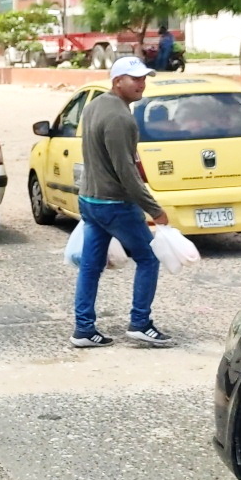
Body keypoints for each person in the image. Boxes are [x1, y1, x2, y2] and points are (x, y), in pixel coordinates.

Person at [71, 56, 173, 350]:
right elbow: (125, 172)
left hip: (90, 199)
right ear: (118, 81)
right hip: (114, 203)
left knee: (90, 266)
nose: (142, 84)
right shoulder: (120, 118)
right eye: (135, 79)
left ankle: (83, 328)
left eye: (144, 78)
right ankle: (140, 323)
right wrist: (155, 209)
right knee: (148, 258)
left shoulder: (94, 106)